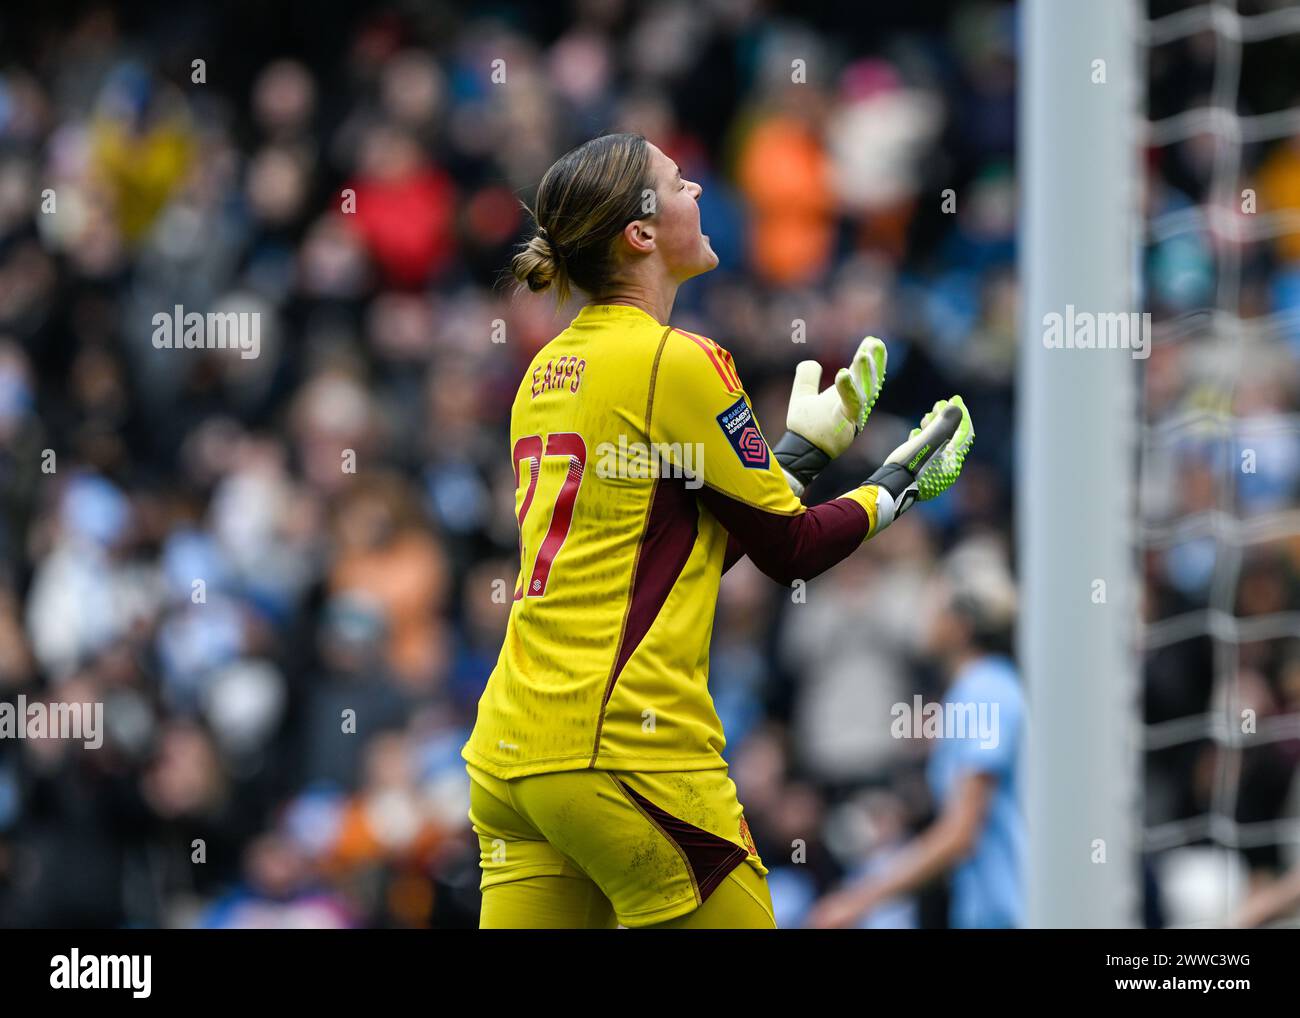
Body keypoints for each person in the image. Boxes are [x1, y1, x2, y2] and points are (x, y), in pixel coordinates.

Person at [460, 132, 974, 928]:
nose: (698, 190)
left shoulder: (545, 370)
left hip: (513, 758)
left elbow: (671, 549)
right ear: (639, 233)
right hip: (623, 752)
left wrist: (796, 459)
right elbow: (789, 550)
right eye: (677, 183)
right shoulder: (677, 358)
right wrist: (896, 486)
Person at [806, 541, 1023, 928]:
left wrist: (858, 899)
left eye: (932, 603)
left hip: (1010, 912)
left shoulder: (983, 690)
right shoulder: (972, 692)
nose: (922, 615)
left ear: (961, 623)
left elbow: (961, 832)